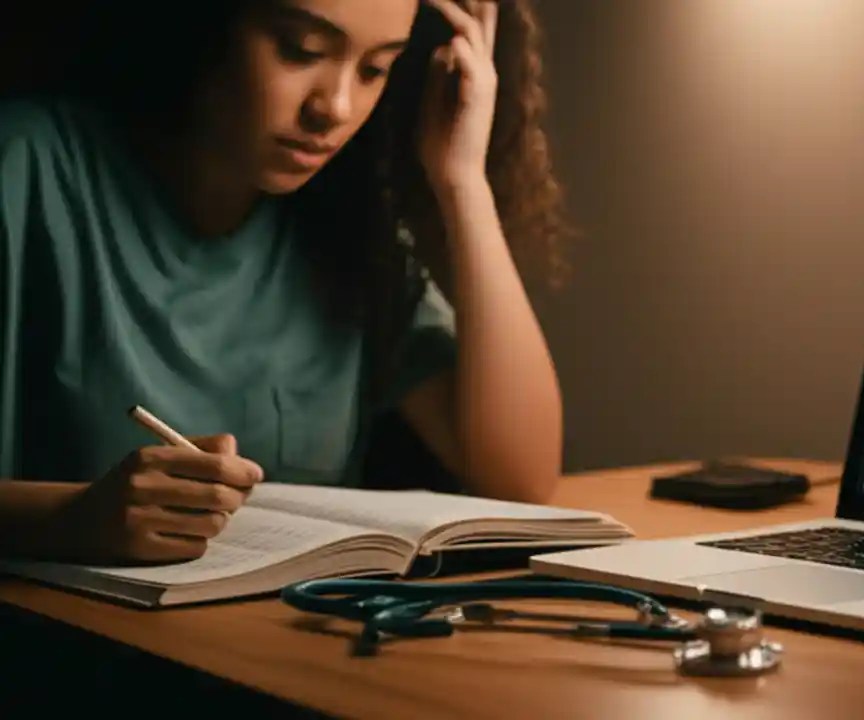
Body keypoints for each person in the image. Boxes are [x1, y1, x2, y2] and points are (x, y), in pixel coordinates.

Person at [0, 0, 569, 565]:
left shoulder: (343, 236)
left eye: (375, 69)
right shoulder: (28, 165)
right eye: (303, 52)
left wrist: (462, 182)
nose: (336, 108)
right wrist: (71, 517)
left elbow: (520, 478)